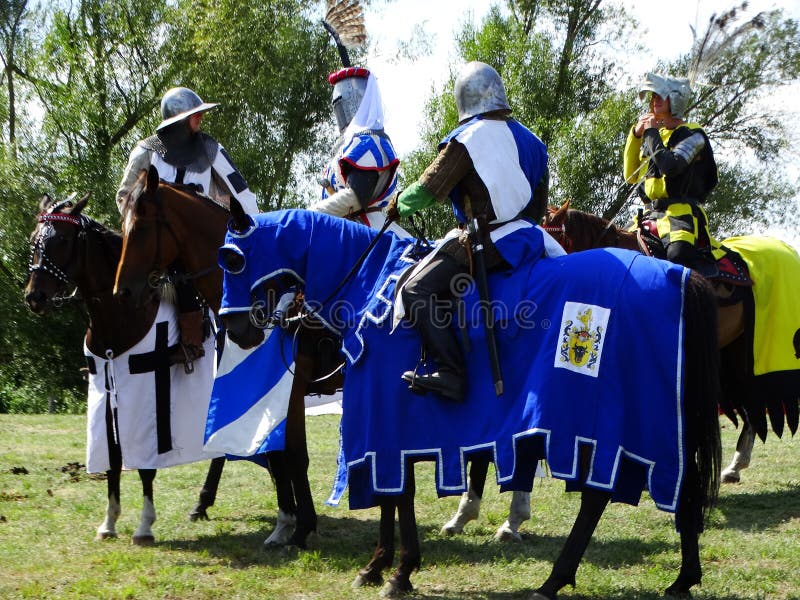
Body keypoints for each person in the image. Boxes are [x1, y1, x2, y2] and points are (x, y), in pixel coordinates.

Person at [386, 61, 556, 403]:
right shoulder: (532, 141)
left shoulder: (467, 139)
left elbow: (426, 189)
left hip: (486, 242)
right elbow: (539, 205)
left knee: (417, 290)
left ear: (463, 100)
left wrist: (396, 205)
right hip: (529, 238)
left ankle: (451, 373)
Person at [116, 86, 259, 369]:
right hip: (157, 238)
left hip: (198, 239)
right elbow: (125, 195)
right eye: (195, 115)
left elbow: (240, 194)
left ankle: (227, 337)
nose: (201, 119)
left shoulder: (210, 149)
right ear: (178, 119)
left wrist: (257, 229)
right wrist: (142, 225)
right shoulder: (148, 149)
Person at [624, 72, 720, 274]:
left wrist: (650, 133)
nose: (654, 100)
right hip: (648, 216)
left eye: (660, 95)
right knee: (621, 252)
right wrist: (636, 135)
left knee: (678, 255)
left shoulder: (694, 134)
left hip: (681, 216)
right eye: (653, 96)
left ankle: (697, 302)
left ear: (675, 98)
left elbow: (671, 166)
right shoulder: (653, 135)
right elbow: (631, 176)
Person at [310, 67, 408, 237]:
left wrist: (307, 215)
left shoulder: (370, 141)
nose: (340, 110)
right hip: (343, 229)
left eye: (342, 104)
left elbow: (355, 197)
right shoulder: (345, 145)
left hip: (369, 232)